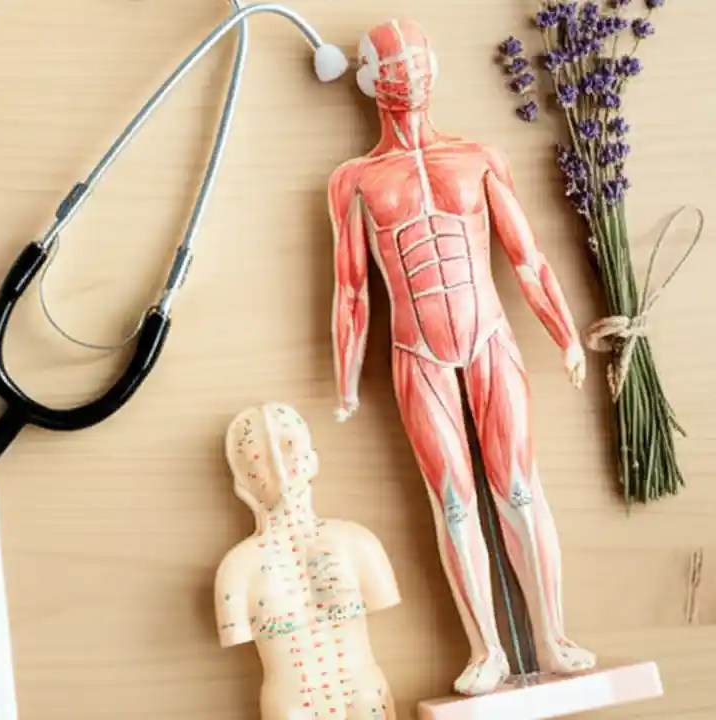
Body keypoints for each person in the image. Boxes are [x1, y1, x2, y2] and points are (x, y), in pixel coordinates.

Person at [328, 19, 595, 695]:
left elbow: (527, 258)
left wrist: (566, 335)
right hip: (416, 351)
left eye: (416, 64)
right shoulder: (354, 181)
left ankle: (554, 636)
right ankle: (488, 650)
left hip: (490, 338)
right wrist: (345, 382)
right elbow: (352, 290)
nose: (407, 79)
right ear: (367, 78)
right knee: (452, 502)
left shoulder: (478, 157)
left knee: (518, 489)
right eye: (393, 67)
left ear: (433, 69)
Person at [215, 403, 400, 720]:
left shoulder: (359, 543)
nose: (277, 460)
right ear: (241, 483)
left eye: (288, 446)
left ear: (313, 459)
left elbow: (383, 597)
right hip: (292, 711)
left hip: (368, 701)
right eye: (257, 457)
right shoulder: (236, 571)